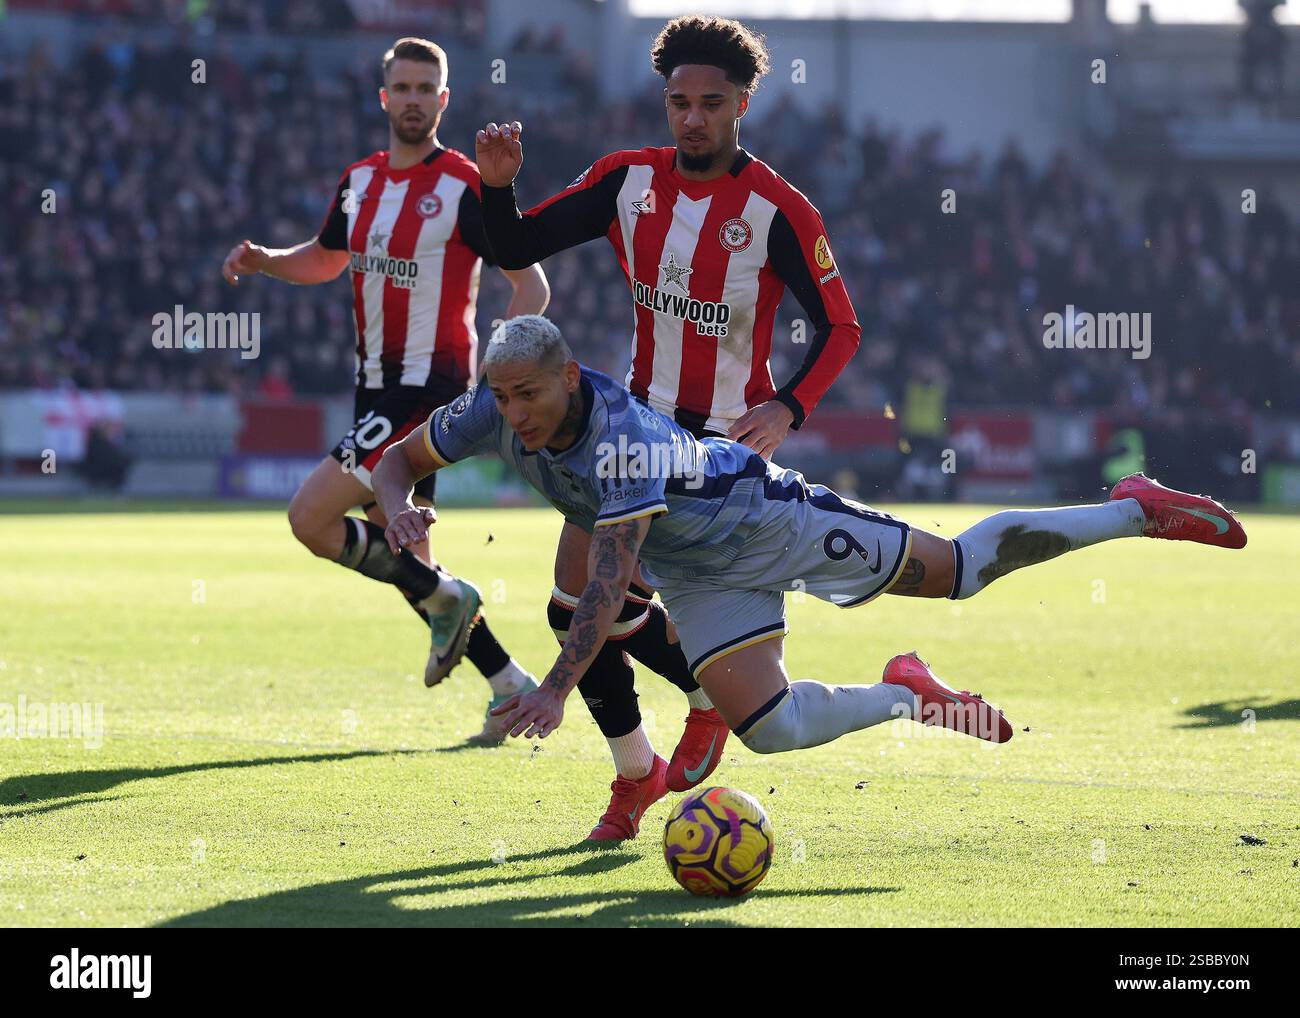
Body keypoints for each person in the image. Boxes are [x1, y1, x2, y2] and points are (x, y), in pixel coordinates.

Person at [372, 317, 1246, 818]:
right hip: (703, 576)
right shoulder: (487, 409)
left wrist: (557, 687)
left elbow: (608, 585)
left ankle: (1133, 509)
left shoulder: (623, 443)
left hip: (769, 520)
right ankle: (910, 693)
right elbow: (397, 460)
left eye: (530, 393)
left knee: (962, 573)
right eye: (504, 396)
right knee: (772, 730)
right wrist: (398, 506)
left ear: (568, 376)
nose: (515, 412)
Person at [472, 15, 863, 831]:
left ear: (743, 104)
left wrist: (789, 405)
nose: (692, 117)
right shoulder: (628, 180)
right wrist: (499, 183)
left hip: (718, 451)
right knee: (569, 608)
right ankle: (644, 764)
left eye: (710, 103)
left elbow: (840, 327)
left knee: (598, 607)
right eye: (679, 101)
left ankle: (683, 722)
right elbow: (517, 239)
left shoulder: (779, 209)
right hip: (633, 427)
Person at [220, 38, 550, 744]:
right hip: (372, 390)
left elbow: (531, 283)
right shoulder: (361, 180)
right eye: (400, 87)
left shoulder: (463, 185)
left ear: (443, 100)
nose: (411, 99)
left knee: (310, 518)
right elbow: (328, 256)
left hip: (426, 392)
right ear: (383, 98)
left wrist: (499, 373)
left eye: (424, 88)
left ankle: (449, 601)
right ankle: (507, 684)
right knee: (410, 559)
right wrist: (268, 261)